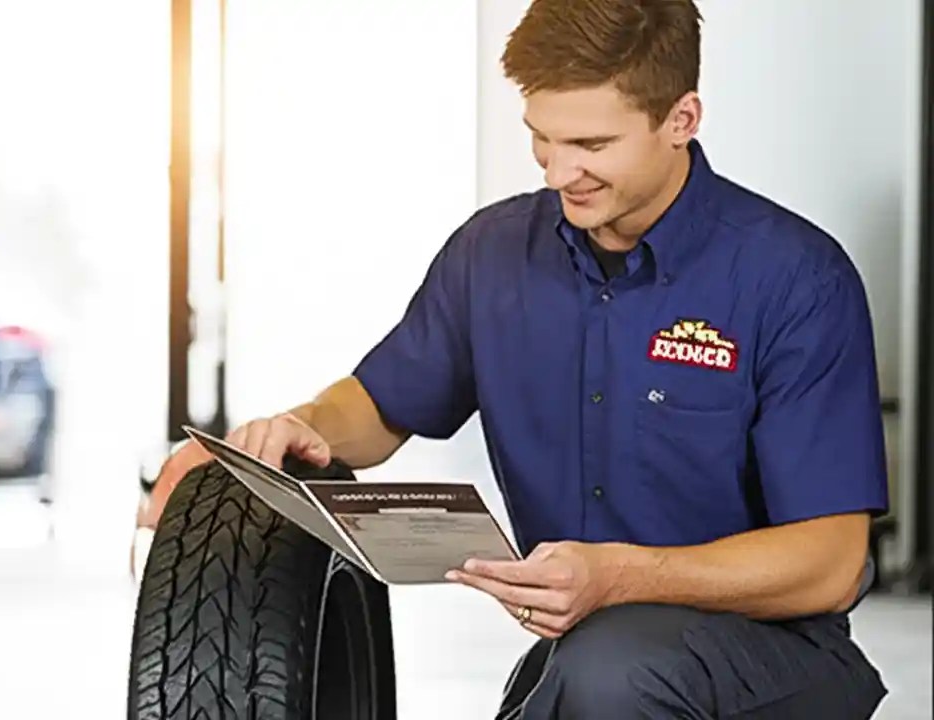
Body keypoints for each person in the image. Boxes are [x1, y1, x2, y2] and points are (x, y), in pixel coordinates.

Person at [144, 0, 891, 716]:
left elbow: (827, 563)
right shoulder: (492, 257)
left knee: (608, 675)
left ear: (681, 120)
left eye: (592, 146)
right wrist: (305, 425)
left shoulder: (795, 278)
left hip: (772, 655)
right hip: (588, 656)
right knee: (593, 672)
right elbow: (377, 407)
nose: (558, 172)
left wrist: (621, 577)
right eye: (543, 137)